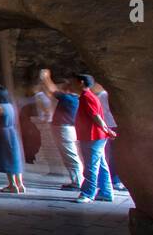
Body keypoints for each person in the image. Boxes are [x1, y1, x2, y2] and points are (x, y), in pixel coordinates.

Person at [73, 73, 117, 203]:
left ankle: (87, 193)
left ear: (81, 82)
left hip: (92, 136)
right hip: (94, 136)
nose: (71, 84)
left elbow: (95, 116)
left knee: (91, 166)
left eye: (73, 81)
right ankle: (106, 192)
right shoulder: (87, 96)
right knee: (101, 164)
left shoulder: (87, 96)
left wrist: (106, 129)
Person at [39, 69, 84, 191]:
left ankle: (78, 182)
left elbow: (53, 91)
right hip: (65, 129)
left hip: (65, 130)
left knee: (71, 156)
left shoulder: (70, 98)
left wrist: (46, 77)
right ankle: (76, 181)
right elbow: (51, 92)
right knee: (69, 156)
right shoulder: (71, 98)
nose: (62, 87)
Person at [0, 85, 26, 193]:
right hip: (12, 132)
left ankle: (12, 185)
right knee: (14, 157)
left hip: (2, 133)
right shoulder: (10, 105)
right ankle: (20, 184)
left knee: (7, 158)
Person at [93, 82, 127, 193]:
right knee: (115, 154)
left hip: (111, 125)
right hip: (113, 126)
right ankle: (115, 180)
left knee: (112, 154)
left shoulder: (103, 95)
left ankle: (114, 180)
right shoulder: (106, 95)